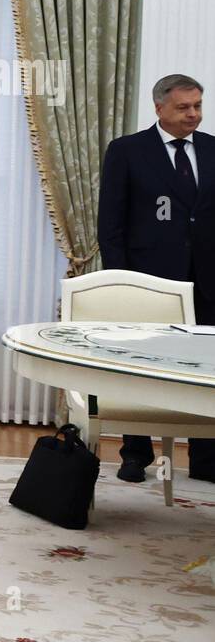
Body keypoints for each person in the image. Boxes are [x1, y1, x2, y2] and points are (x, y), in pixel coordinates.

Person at [98, 72, 215, 484]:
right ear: (160, 107)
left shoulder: (213, 150)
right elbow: (110, 223)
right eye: (184, 107)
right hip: (147, 280)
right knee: (140, 365)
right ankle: (135, 454)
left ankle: (205, 458)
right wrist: (120, 281)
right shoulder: (128, 151)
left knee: (203, 369)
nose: (193, 115)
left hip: (207, 282)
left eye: (198, 106)